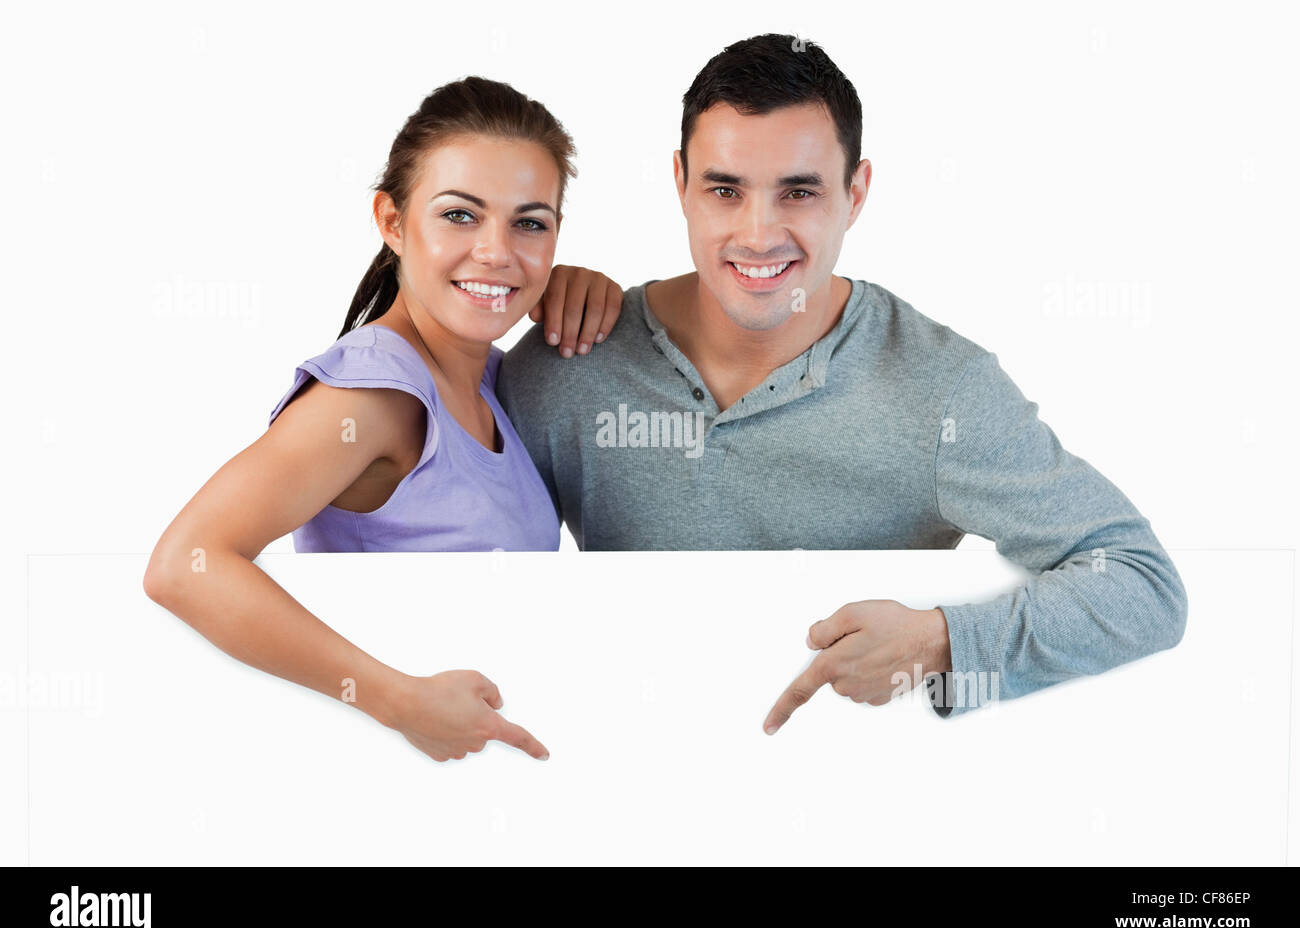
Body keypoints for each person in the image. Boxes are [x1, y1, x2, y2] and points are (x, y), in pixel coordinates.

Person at [496, 35, 1189, 730]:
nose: (758, 234)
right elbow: (442, 545)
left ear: (856, 193)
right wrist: (520, 287)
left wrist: (940, 642)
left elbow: (1142, 582)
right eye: (724, 189)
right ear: (680, 184)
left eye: (799, 191)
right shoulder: (565, 365)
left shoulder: (942, 391)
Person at [144, 77, 623, 763]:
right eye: (460, 215)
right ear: (392, 222)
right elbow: (184, 565)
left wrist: (573, 287)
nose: (495, 250)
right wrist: (398, 701)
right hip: (389, 776)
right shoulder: (378, 397)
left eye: (529, 223)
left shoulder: (485, 378)